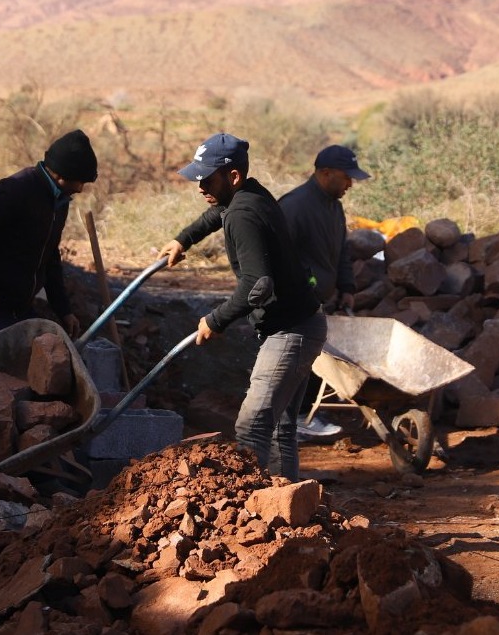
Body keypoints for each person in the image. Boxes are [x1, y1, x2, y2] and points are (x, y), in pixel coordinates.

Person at [157, 132, 325, 481]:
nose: (200, 185)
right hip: (302, 322)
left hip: (289, 332)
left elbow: (257, 284)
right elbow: (217, 212)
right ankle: (288, 511)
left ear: (232, 176)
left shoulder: (243, 214)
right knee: (279, 429)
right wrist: (183, 239)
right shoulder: (249, 195)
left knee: (252, 428)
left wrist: (216, 320)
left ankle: (252, 515)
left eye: (207, 178)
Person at [0, 129, 98, 339]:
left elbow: (49, 256)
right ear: (61, 174)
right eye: (80, 181)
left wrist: (63, 310)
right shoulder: (17, 190)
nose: (81, 189)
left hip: (20, 310)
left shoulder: (59, 202)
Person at [278, 144, 370, 440]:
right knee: (291, 362)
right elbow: (275, 256)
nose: (350, 184)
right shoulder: (294, 207)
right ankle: (293, 422)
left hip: (316, 301)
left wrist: (346, 287)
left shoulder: (334, 206)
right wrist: (300, 290)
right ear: (325, 173)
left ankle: (302, 416)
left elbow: (340, 250)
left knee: (309, 360)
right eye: (346, 177)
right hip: (292, 304)